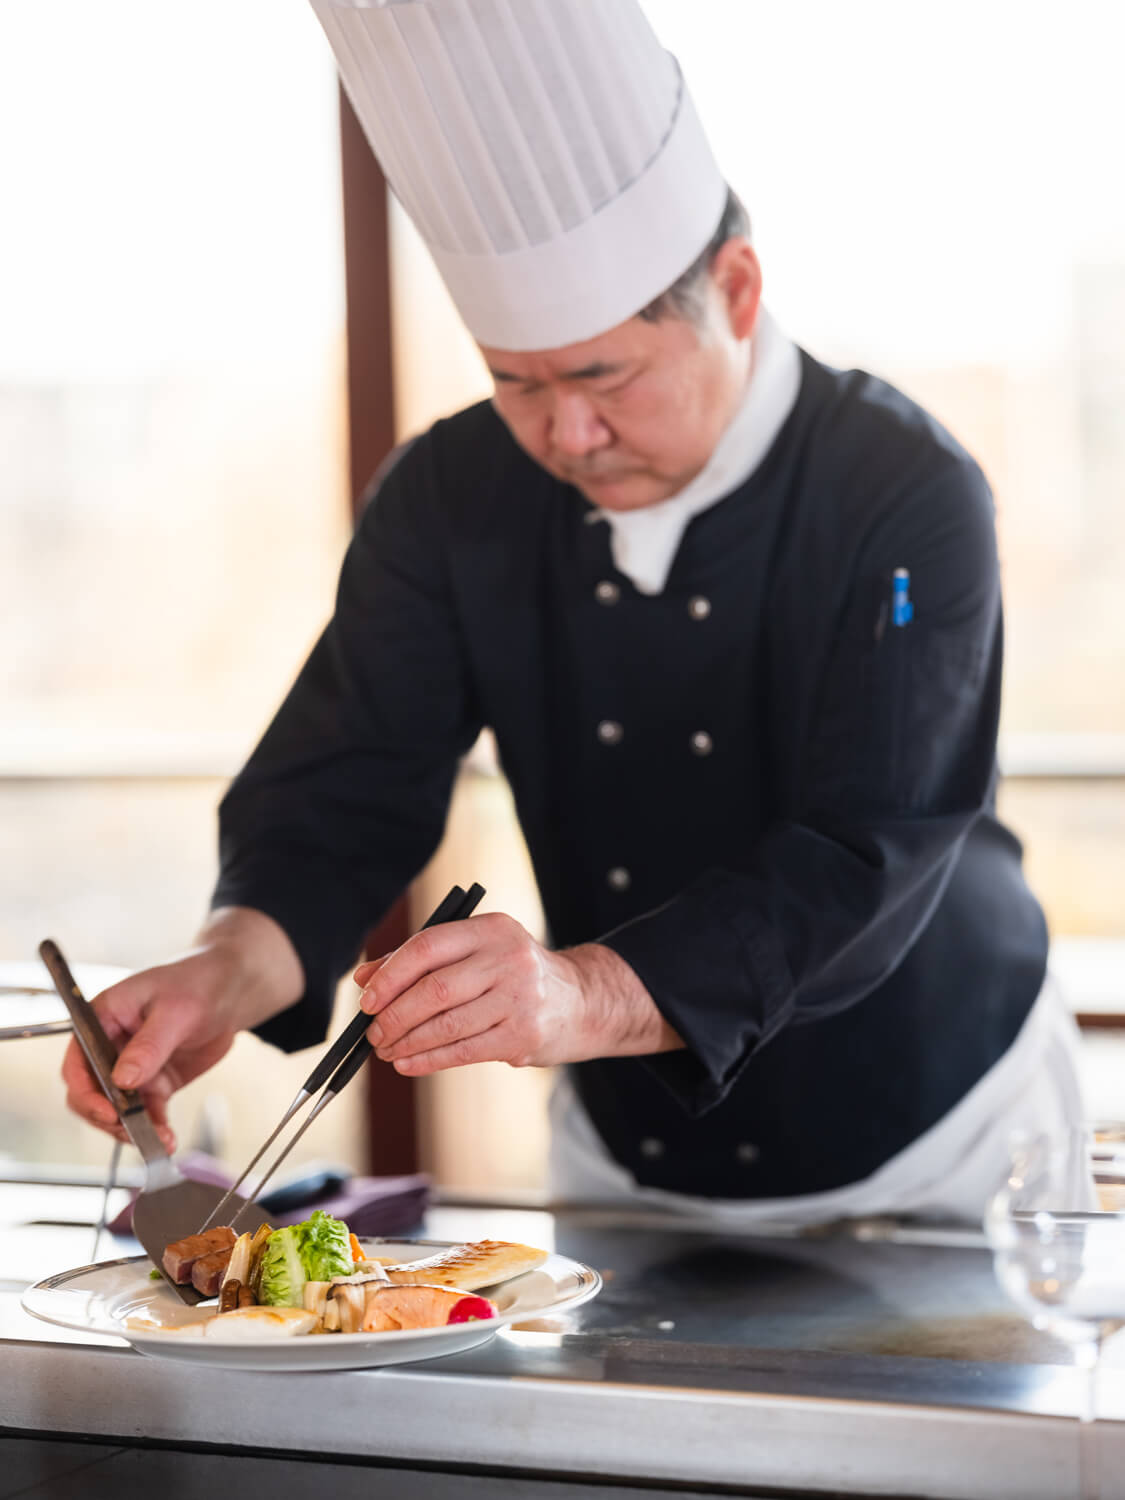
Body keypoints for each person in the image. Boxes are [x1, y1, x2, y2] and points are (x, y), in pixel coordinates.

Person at [64, 0, 1085, 1223]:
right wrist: (223, 974)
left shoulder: (903, 491)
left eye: (605, 377)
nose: (567, 434)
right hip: (631, 1158)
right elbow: (346, 790)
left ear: (738, 290)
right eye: (516, 383)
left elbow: (864, 854)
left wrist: (577, 996)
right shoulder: (451, 495)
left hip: (950, 1139)